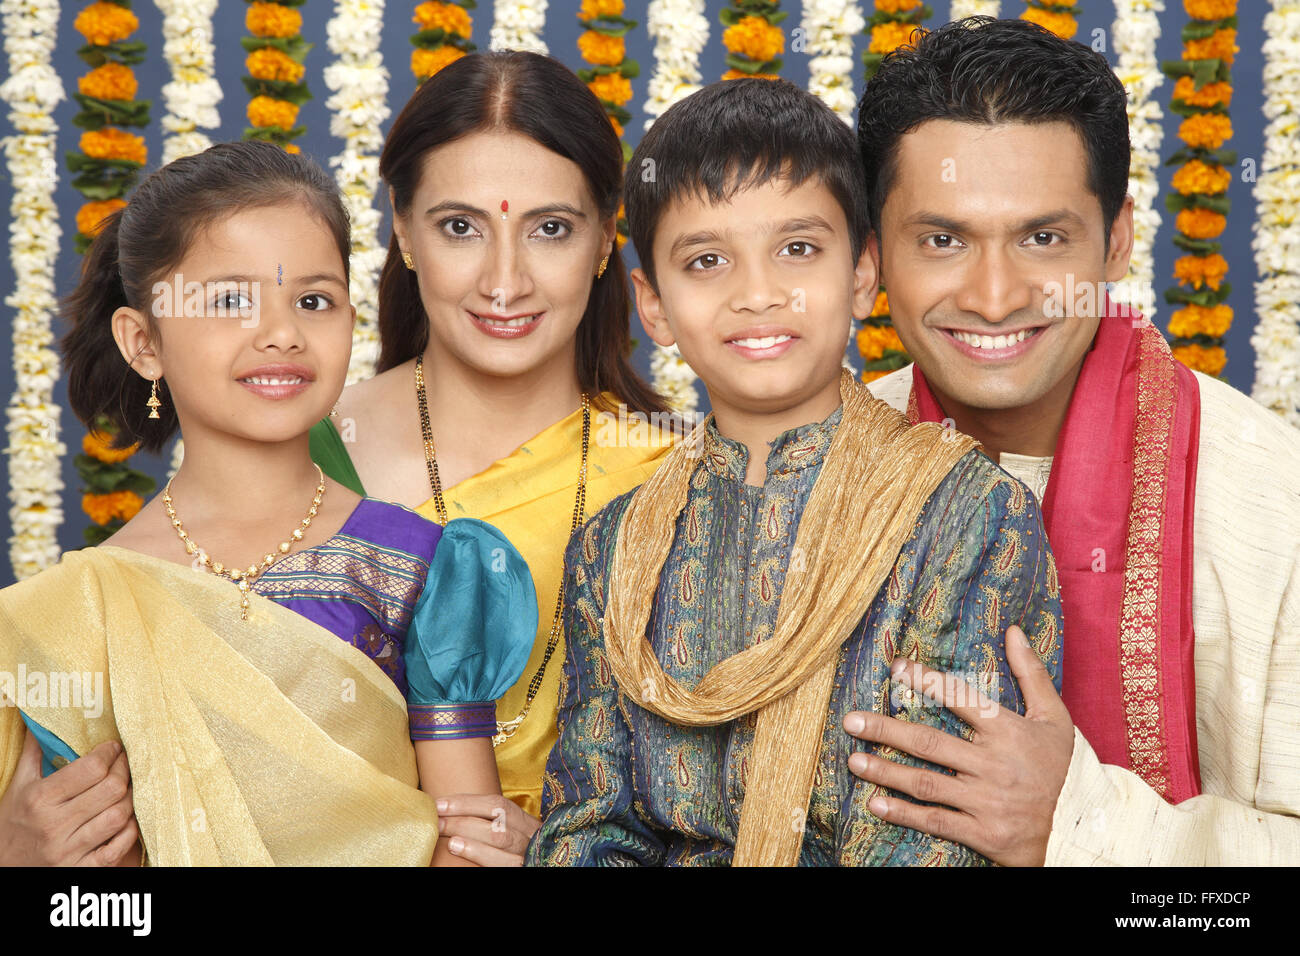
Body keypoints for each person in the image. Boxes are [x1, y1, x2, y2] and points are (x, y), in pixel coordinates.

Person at [525, 76, 1064, 866]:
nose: (758, 293)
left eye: (798, 249)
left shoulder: (963, 515)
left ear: (861, 274)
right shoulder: (614, 552)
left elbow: (931, 834)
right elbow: (587, 825)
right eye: (707, 260)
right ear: (655, 307)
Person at [0, 141, 536, 866]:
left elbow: (466, 844)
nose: (282, 333)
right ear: (142, 341)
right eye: (229, 301)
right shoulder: (70, 615)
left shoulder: (423, 568)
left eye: (313, 301)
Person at [851, 17, 1300, 865]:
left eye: (1042, 238)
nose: (992, 296)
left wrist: (1077, 825)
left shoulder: (1271, 499)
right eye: (943, 240)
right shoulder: (819, 466)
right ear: (874, 254)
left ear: (1119, 238)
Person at [309, 51, 677, 865]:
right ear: (403, 231)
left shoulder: (674, 480)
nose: (504, 282)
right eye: (461, 227)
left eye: (549, 228)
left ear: (603, 239)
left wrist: (561, 850)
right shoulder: (301, 449)